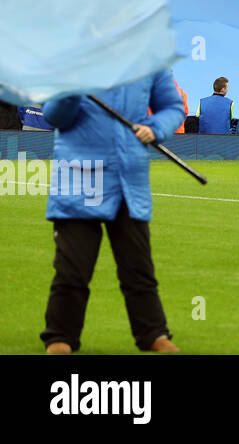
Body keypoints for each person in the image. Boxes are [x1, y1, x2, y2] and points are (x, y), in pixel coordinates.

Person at [40, 69, 185, 353]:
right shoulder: (76, 59)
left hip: (128, 179)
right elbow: (55, 116)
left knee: (138, 267)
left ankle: (154, 334)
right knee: (73, 270)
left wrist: (156, 128)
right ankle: (60, 337)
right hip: (81, 178)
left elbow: (172, 107)